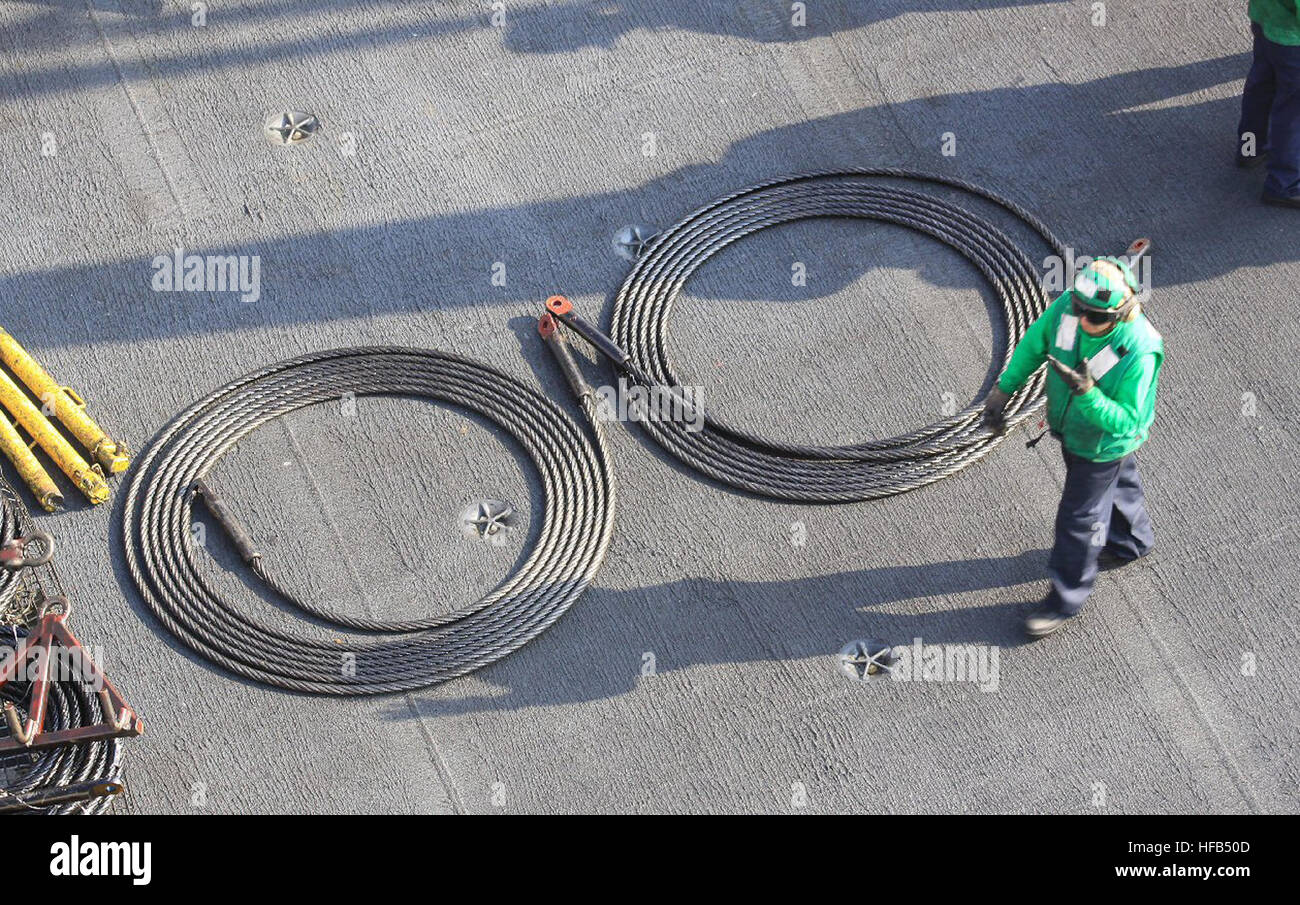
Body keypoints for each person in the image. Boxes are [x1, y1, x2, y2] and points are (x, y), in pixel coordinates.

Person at [983, 258, 1163, 637]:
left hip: (1102, 444)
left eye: (1094, 318)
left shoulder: (1139, 350)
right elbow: (1035, 343)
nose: (1083, 322)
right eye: (1080, 311)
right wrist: (1004, 390)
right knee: (1119, 482)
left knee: (1079, 518)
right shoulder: (1070, 307)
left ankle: (1065, 598)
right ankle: (1132, 540)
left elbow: (1129, 421)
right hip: (1070, 429)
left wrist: (1086, 395)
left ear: (1121, 313)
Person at [1238, 0, 1300, 207]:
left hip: (1265, 18)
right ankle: (1285, 183)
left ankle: (1249, 149)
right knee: (1292, 112)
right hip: (1293, 37)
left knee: (1260, 88)